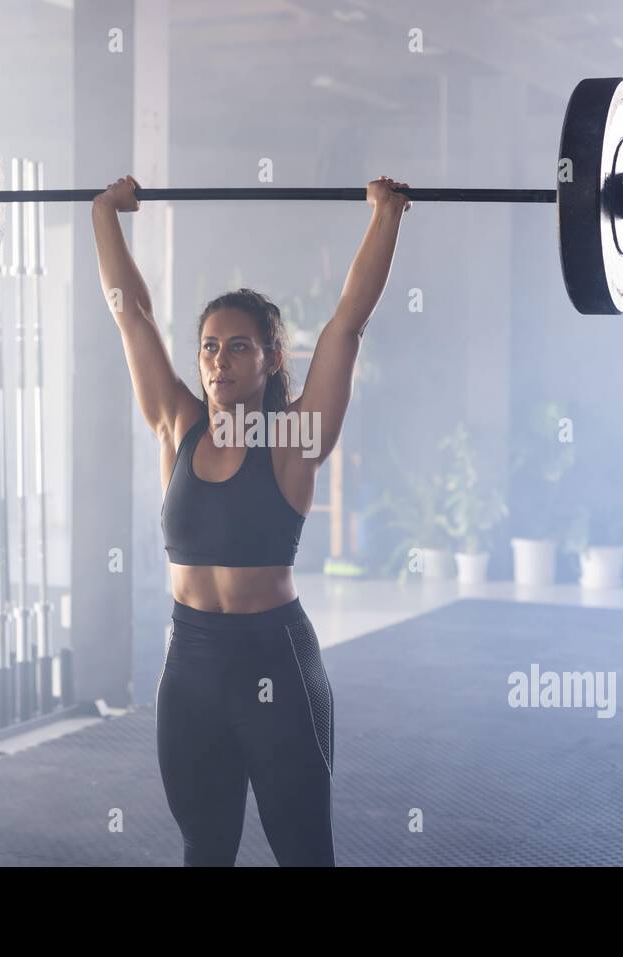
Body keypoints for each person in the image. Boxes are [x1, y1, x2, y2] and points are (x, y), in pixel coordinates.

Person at [91, 175, 410, 866]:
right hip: (189, 672)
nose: (218, 359)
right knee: (204, 850)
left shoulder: (295, 441)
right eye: (209, 345)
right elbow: (131, 316)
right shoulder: (177, 427)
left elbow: (347, 324)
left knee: (302, 854)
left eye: (238, 346)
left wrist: (386, 215)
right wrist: (103, 215)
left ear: (269, 359)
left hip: (276, 665)